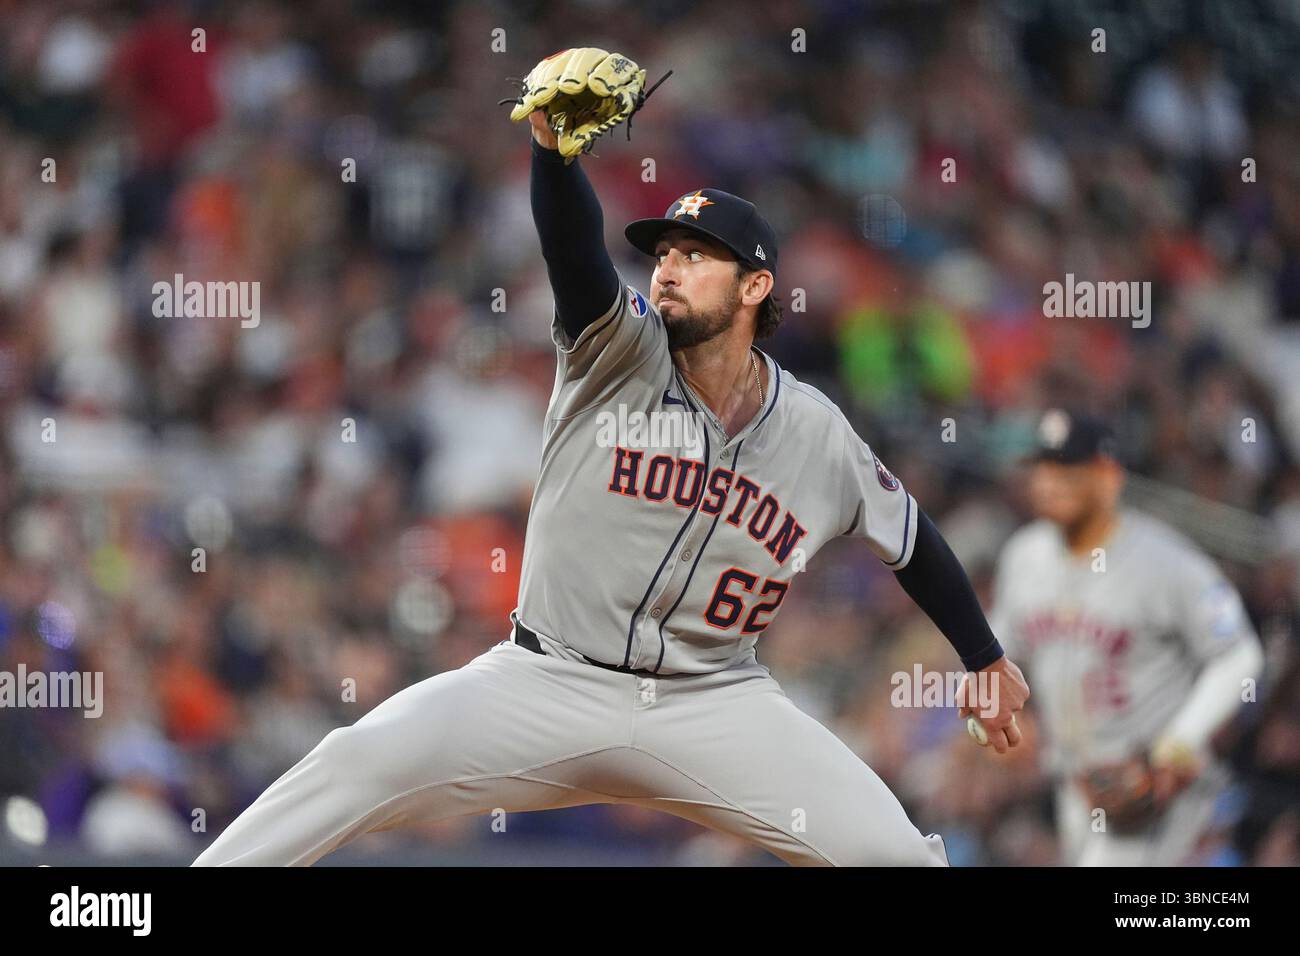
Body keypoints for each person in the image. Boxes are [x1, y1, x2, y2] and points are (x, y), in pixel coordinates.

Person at [191, 90, 1028, 868]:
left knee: (899, 858)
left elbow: (912, 541)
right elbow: (574, 254)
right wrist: (554, 153)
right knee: (356, 761)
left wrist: (984, 658)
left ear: (756, 287)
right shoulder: (616, 352)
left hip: (716, 704)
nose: (666, 267)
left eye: (696, 255)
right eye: (664, 252)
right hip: (545, 680)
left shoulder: (816, 433)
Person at [989, 409, 1264, 865]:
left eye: (1067, 468)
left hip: (1150, 788)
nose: (1048, 481)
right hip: (1073, 784)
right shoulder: (1024, 557)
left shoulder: (1166, 562)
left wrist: (1178, 743)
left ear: (1108, 477)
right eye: (1042, 467)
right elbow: (1002, 656)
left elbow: (1240, 656)